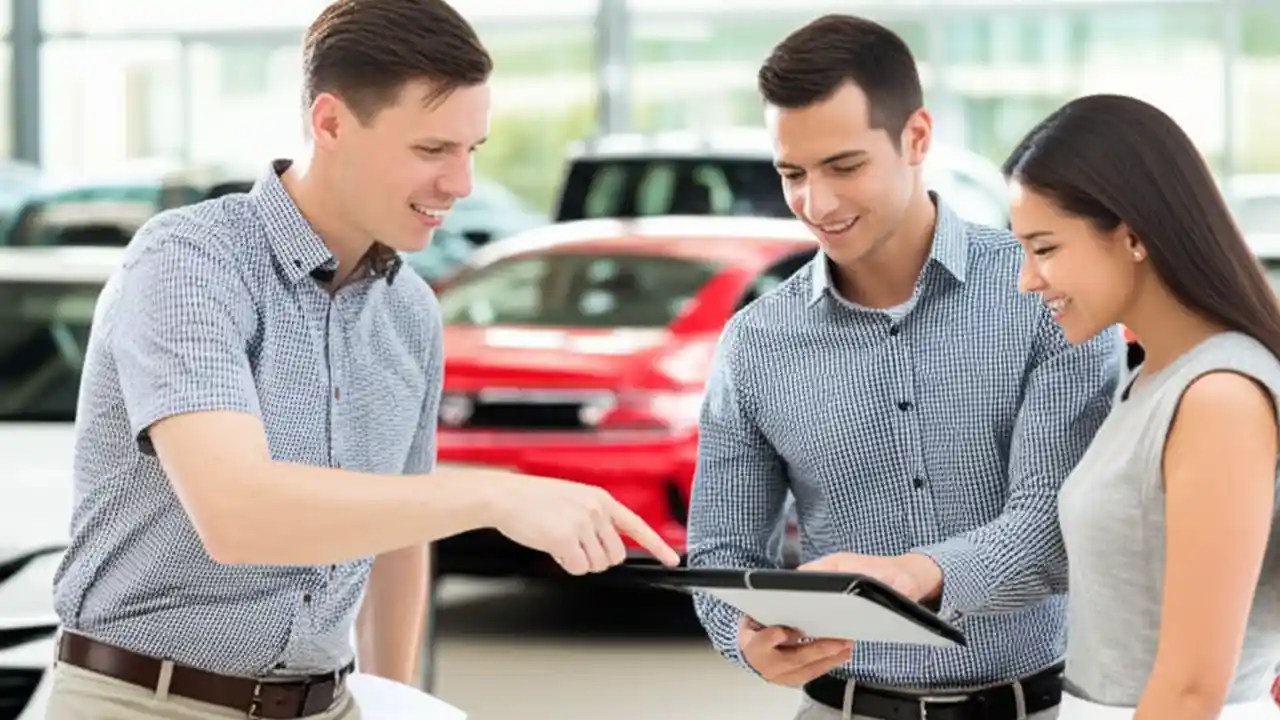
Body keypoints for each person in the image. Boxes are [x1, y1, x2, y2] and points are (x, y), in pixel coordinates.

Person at [45, 1, 679, 718]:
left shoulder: (411, 313)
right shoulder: (190, 263)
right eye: (432, 150)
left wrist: (396, 697)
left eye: (472, 150)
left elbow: (400, 537)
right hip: (145, 701)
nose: (461, 184)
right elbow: (237, 513)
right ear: (331, 123)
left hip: (332, 703)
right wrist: (496, 495)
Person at [685, 14, 1121, 720]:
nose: (815, 203)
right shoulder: (755, 343)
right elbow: (722, 548)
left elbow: (1051, 526)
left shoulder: (1044, 295)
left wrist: (903, 576)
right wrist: (742, 636)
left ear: (916, 137)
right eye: (792, 173)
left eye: (844, 166)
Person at [1005, 93, 1280, 719]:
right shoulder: (1152, 380)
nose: (1028, 278)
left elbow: (1191, 688)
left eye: (1044, 248)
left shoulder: (1219, 397)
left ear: (1130, 236)